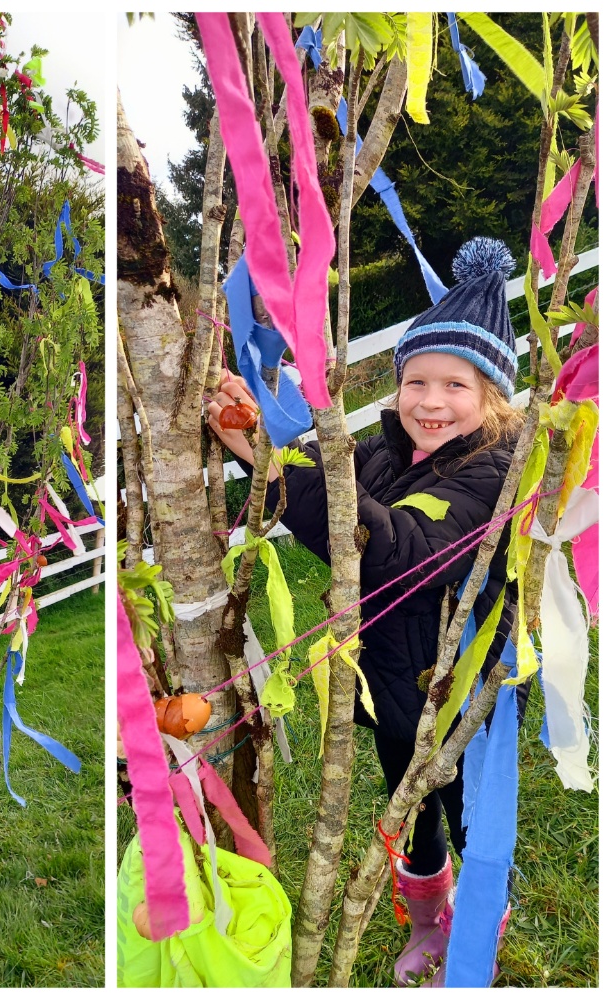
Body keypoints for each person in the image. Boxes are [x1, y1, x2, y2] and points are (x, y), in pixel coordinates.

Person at [207, 237, 525, 986]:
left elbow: (402, 550)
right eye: (417, 381)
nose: (432, 402)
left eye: (457, 385)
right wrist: (251, 419)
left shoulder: (496, 473)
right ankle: (423, 919)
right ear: (396, 385)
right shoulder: (382, 451)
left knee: (474, 819)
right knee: (410, 813)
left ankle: (472, 931)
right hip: (388, 682)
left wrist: (260, 457)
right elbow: (321, 471)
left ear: (494, 400)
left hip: (467, 696)